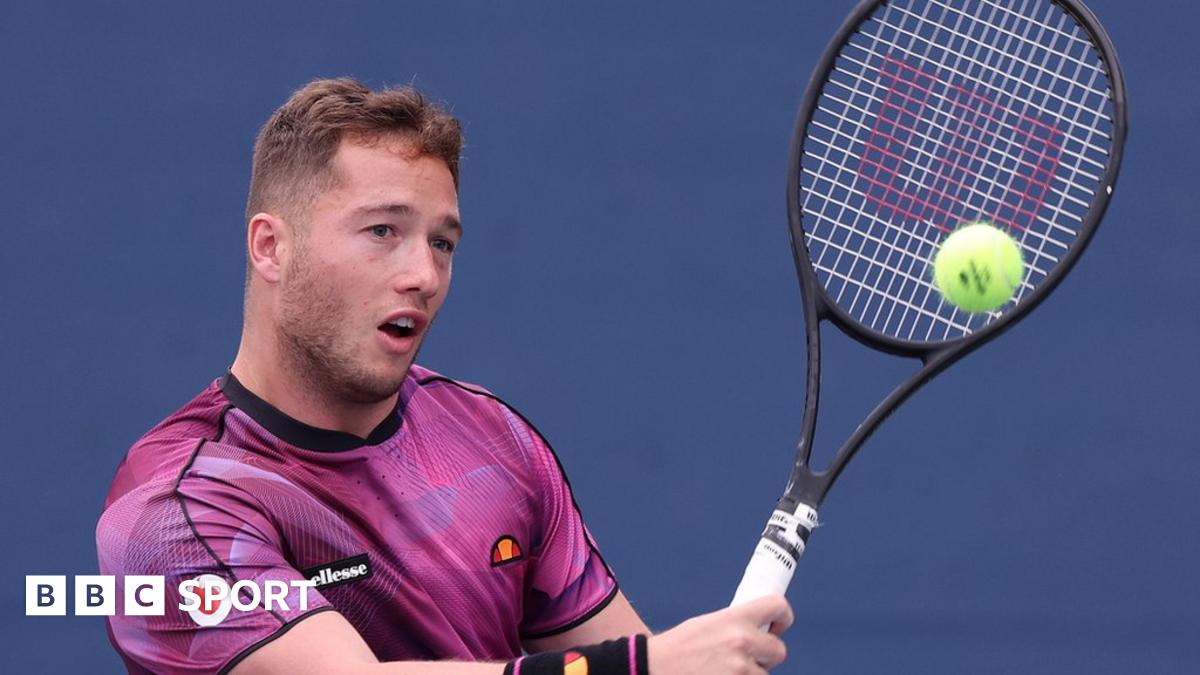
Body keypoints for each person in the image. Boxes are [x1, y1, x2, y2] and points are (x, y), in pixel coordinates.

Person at [96, 77, 792, 675]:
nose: (424, 275)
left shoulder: (494, 443)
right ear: (270, 247)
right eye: (382, 231)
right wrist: (644, 666)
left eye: (442, 242)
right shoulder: (172, 510)